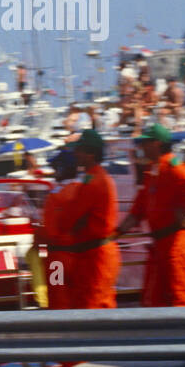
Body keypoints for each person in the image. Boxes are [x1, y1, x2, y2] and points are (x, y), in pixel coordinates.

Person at [117, 123, 185, 307]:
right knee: (154, 297)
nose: (141, 147)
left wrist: (183, 210)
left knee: (178, 294)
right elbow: (138, 209)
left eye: (145, 143)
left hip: (176, 241)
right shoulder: (153, 171)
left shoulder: (174, 167)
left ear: (157, 144)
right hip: (161, 243)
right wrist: (115, 233)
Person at [65, 129, 121, 309]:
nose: (75, 154)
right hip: (82, 255)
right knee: (86, 304)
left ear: (90, 153)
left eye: (79, 150)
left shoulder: (92, 182)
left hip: (88, 256)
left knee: (91, 308)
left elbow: (71, 220)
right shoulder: (90, 180)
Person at [38, 150, 81, 309]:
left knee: (59, 300)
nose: (53, 172)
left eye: (55, 168)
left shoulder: (55, 196)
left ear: (62, 169)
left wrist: (42, 257)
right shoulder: (84, 189)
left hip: (58, 259)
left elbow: (47, 233)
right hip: (82, 255)